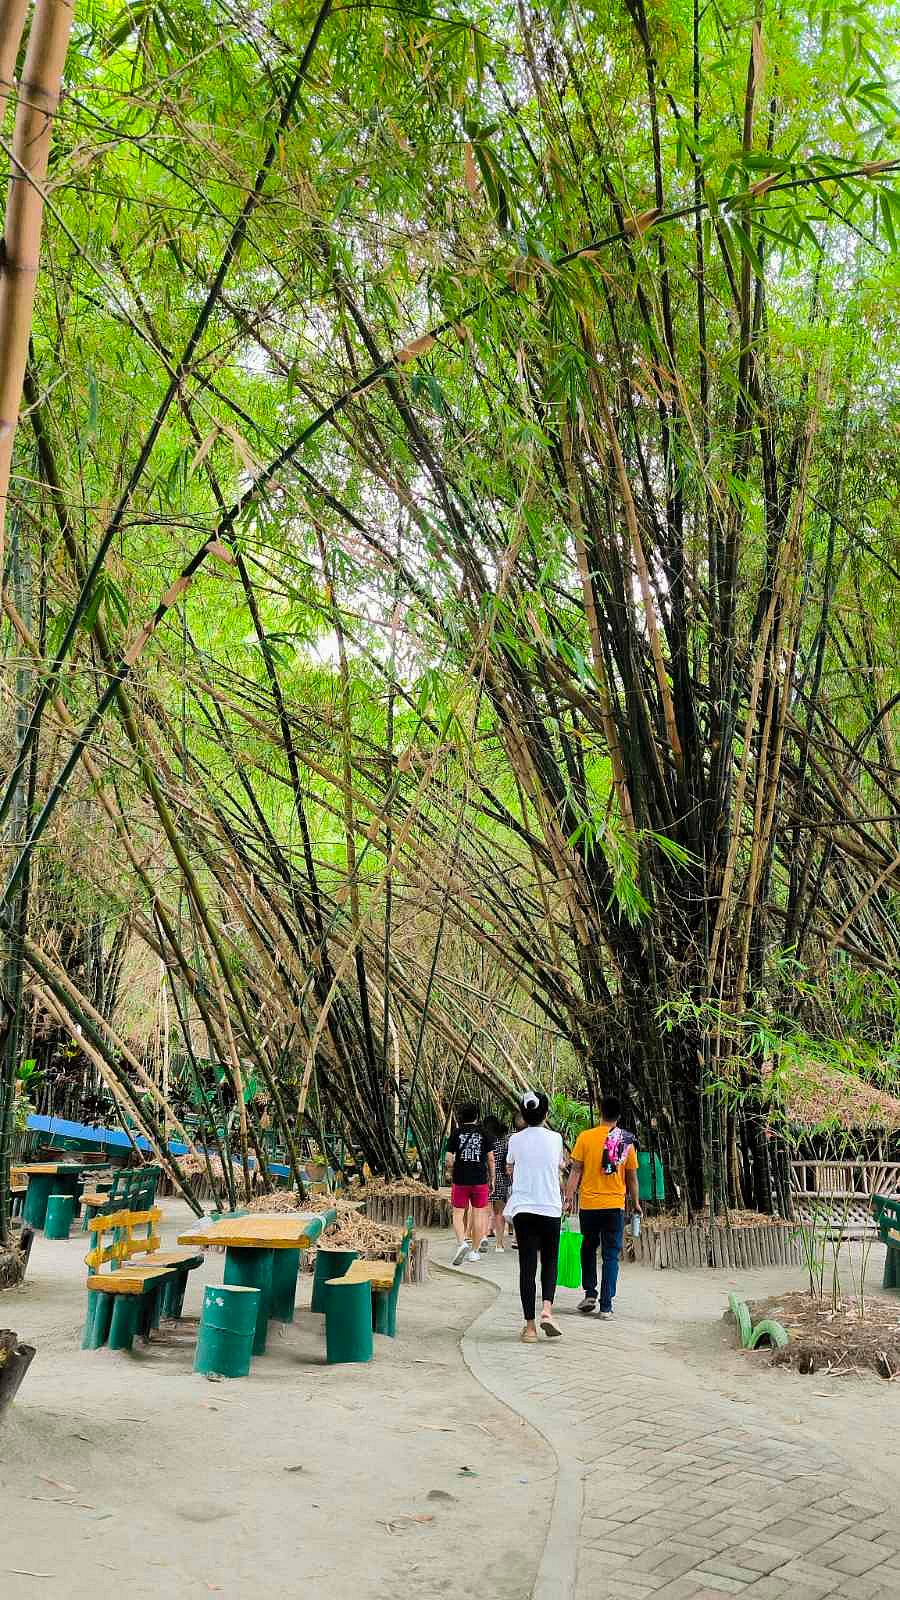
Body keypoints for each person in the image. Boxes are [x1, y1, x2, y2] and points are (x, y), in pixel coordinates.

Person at [564, 1094, 640, 1319]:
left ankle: (590, 1292)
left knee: (588, 1247)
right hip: (614, 1206)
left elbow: (575, 1170)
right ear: (618, 1116)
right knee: (610, 1255)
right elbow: (632, 1177)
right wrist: (635, 1202)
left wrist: (568, 1199)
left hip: (589, 1205)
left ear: (600, 1113)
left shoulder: (586, 1137)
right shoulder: (626, 1140)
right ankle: (606, 1306)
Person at [504, 1090, 565, 1341]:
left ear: (523, 1114)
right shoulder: (556, 1139)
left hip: (523, 1209)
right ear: (546, 1113)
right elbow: (558, 1165)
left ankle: (529, 1328)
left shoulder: (514, 1140)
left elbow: (510, 1164)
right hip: (550, 1206)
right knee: (550, 1262)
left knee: (527, 1268)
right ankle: (547, 1311)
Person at [446, 1104, 495, 1266]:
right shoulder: (484, 1134)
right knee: (479, 1214)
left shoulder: (455, 1133)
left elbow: (448, 1159)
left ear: (461, 1117)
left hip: (460, 1179)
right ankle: (474, 1251)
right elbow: (490, 1159)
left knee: (458, 1214)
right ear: (477, 1117)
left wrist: (452, 1168)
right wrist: (492, 1178)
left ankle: (462, 1243)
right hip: (480, 1179)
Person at [484, 1116, 512, 1251]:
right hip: (502, 1180)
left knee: (483, 1211)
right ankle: (499, 1244)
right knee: (499, 1212)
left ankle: (482, 1238)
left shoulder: (485, 1142)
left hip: (486, 1179)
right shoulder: (504, 1142)